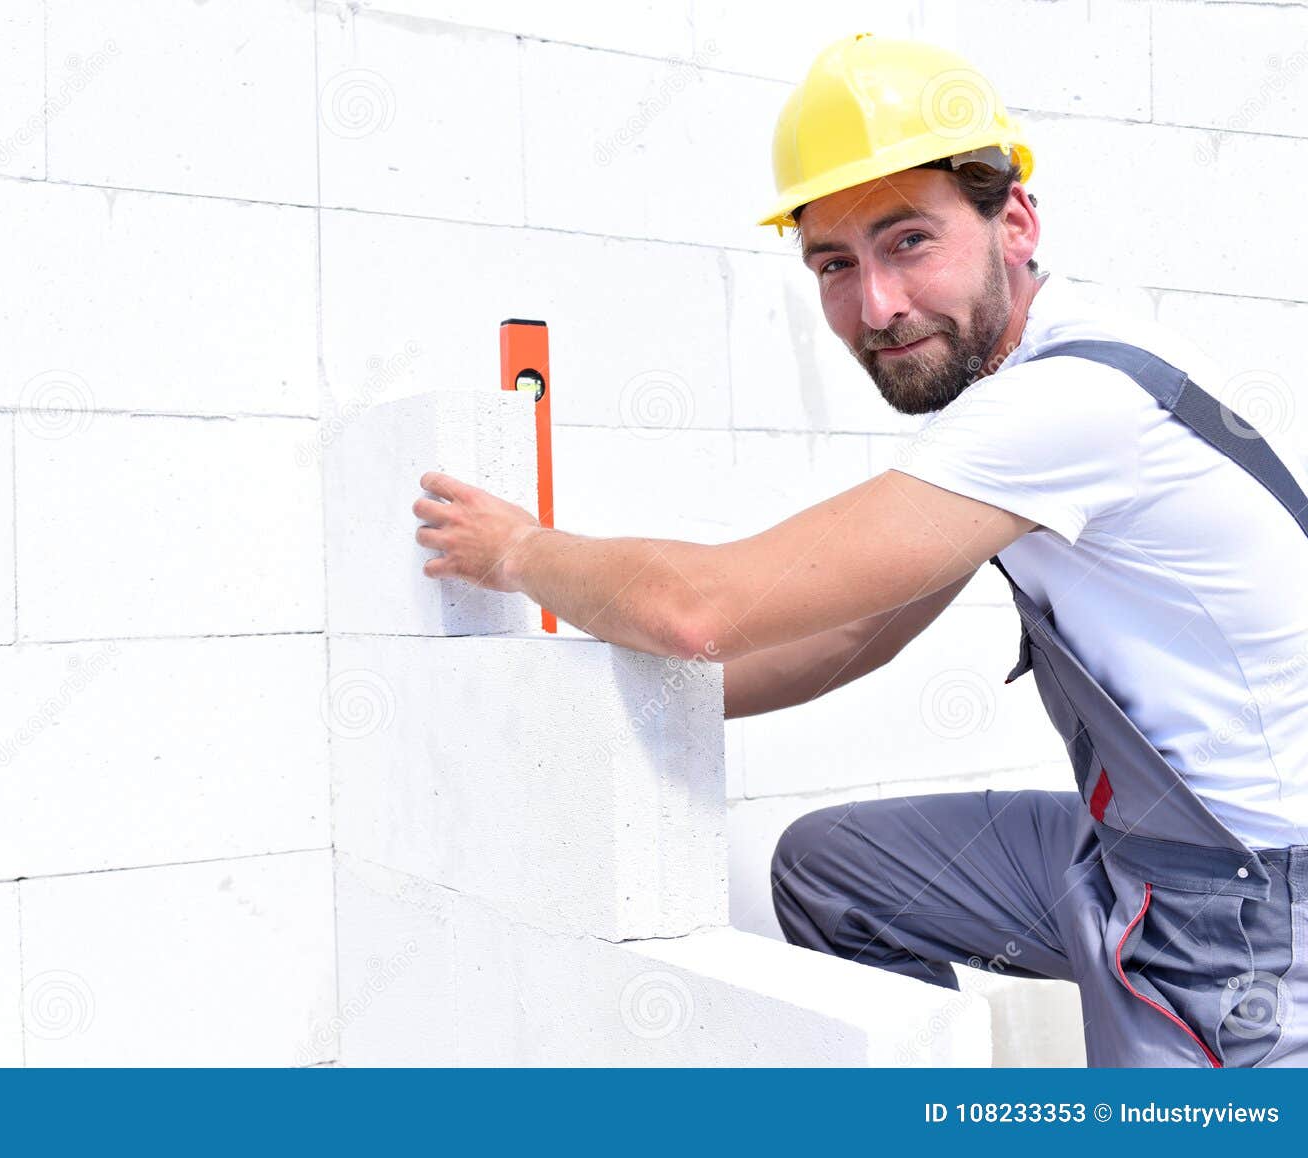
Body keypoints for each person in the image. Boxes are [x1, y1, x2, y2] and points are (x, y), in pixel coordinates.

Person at [411, 32, 1308, 1066]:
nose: (875, 305)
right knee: (836, 873)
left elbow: (701, 606)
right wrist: (595, 712)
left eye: (908, 241)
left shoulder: (1068, 404)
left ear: (1012, 220)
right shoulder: (1023, 395)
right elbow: (848, 641)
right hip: (1130, 854)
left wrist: (520, 550)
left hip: (1244, 912)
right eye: (835, 263)